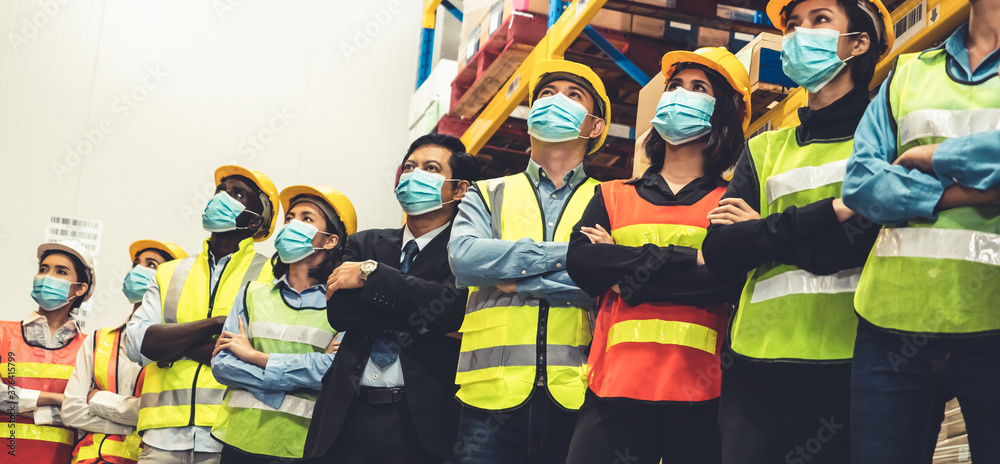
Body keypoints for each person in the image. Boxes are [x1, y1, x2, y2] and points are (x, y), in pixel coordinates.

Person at [700, 0, 894, 463]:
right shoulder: (765, 147)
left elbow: (862, 242)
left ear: (858, 43)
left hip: (851, 365)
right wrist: (830, 211)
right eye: (793, 24)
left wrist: (763, 233)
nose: (798, 34)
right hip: (755, 370)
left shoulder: (884, 138)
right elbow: (721, 250)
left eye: (820, 19)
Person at [564, 47, 750, 464]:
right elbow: (582, 264)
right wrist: (694, 260)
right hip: (612, 393)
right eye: (674, 86)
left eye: (698, 87)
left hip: (701, 397)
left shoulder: (732, 201)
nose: (680, 94)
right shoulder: (611, 194)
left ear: (723, 112)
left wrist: (622, 270)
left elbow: (723, 279)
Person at [842, 0, 1000, 461]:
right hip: (890, 325)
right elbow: (861, 182)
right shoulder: (909, 72)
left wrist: (934, 158)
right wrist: (971, 194)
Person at [447, 59, 609, 464]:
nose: (556, 101)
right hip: (489, 401)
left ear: (596, 127)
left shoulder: (614, 198)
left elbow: (611, 281)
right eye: (546, 94)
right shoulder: (486, 192)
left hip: (579, 392)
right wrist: (574, 257)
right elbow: (465, 260)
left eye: (573, 96)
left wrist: (518, 280)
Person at [303, 133, 480, 464]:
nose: (414, 176)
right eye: (409, 167)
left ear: (459, 189)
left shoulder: (465, 253)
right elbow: (342, 313)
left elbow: (451, 311)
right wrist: (422, 314)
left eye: (430, 168)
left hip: (420, 423)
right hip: (346, 415)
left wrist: (372, 275)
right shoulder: (364, 242)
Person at [125, 165, 278, 464]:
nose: (222, 197)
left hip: (228, 434)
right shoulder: (170, 273)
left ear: (254, 220)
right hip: (161, 435)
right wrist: (217, 325)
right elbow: (136, 344)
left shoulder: (270, 275)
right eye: (221, 191)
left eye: (237, 194)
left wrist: (174, 342)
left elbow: (262, 354)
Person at [210, 184, 355, 463]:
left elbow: (332, 372)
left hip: (304, 445)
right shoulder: (252, 294)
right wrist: (301, 373)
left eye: (306, 218)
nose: (291, 225)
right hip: (240, 442)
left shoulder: (344, 305)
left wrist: (255, 357)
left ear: (330, 241)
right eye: (289, 218)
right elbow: (224, 365)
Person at [64, 240, 187, 464]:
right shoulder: (97, 339)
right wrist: (138, 423)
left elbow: (167, 414)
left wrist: (98, 400)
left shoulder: (179, 347)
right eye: (136, 264)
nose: (139, 270)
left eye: (151, 265)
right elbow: (72, 411)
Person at [2, 240, 95, 464]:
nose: (47, 277)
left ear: (80, 288)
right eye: (43, 269)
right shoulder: (3, 332)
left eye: (61, 271)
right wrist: (57, 399)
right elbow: (73, 406)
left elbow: (85, 412)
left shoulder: (90, 347)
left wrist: (20, 408)